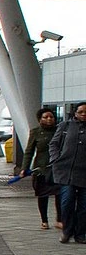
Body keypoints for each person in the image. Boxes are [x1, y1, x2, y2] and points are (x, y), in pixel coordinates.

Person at [49, 101, 86, 244]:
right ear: (75, 113)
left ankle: (81, 233)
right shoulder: (65, 126)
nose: (83, 115)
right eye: (81, 112)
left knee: (84, 206)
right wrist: (55, 158)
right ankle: (67, 231)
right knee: (67, 202)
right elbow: (53, 143)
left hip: (84, 173)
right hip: (66, 171)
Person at [20, 107, 63, 231]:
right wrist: (24, 168)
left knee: (59, 195)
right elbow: (29, 152)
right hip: (41, 169)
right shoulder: (35, 132)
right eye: (45, 117)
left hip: (57, 169)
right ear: (40, 119)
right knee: (42, 195)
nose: (49, 119)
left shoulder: (60, 131)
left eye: (51, 117)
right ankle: (44, 220)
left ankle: (59, 220)